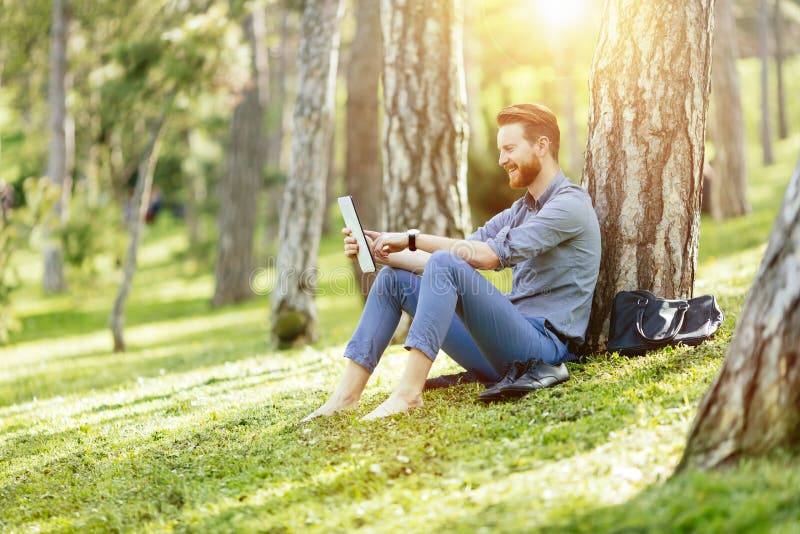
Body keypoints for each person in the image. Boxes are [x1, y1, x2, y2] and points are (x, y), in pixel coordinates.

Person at [303, 103, 601, 422]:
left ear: (541, 146)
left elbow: (484, 257)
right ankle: (346, 397)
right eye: (501, 150)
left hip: (543, 351)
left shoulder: (569, 205)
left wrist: (411, 237)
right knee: (393, 279)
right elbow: (463, 252)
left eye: (509, 149)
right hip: (503, 350)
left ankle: (408, 393)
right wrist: (380, 248)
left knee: (445, 262)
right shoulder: (520, 211)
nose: (502, 160)